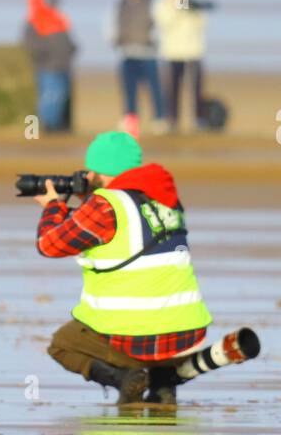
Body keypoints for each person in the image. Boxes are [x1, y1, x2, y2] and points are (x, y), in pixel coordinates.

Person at [34, 130, 211, 406]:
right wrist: (87, 202)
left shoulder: (106, 205)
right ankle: (163, 384)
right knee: (158, 331)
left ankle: (125, 380)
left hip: (135, 340)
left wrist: (53, 207)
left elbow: (49, 245)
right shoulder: (168, 201)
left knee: (61, 345)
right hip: (187, 337)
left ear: (98, 172)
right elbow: (124, 228)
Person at [153, 0, 215, 131]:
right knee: (172, 89)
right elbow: (164, 23)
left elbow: (202, 25)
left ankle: (198, 119)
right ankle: (172, 120)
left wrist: (193, 9)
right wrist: (177, 7)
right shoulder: (164, 4)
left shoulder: (194, 5)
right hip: (173, 53)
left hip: (193, 52)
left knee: (196, 89)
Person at [112, 0, 164, 135]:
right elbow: (112, 24)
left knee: (154, 89)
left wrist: (156, 41)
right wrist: (115, 40)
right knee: (129, 91)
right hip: (127, 53)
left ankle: (159, 119)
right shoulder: (120, 4)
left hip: (147, 54)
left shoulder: (152, 3)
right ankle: (131, 120)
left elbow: (161, 24)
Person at [22, 0, 77, 134]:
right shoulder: (34, 21)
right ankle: (47, 126)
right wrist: (45, 55)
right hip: (47, 66)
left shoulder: (59, 20)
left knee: (61, 96)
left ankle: (57, 125)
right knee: (50, 96)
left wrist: (72, 49)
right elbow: (31, 45)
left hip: (63, 65)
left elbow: (67, 41)